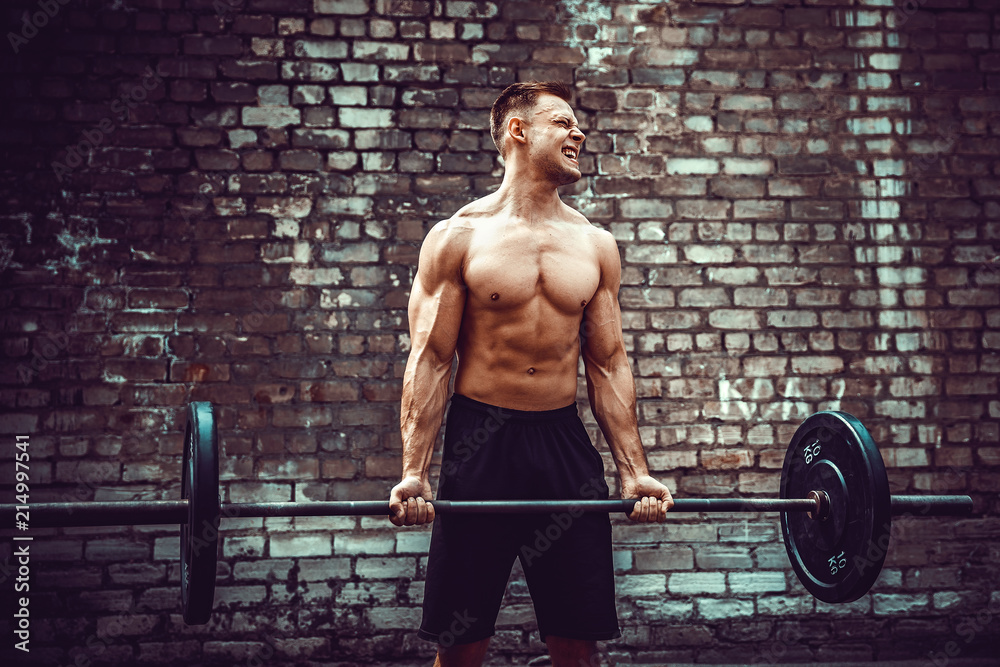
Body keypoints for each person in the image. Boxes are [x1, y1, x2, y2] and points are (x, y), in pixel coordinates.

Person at [388, 81, 674, 667]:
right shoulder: (457, 238)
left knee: (576, 642)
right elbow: (432, 359)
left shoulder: (595, 244)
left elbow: (608, 362)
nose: (579, 134)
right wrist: (414, 473)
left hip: (563, 444)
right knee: (460, 645)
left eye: (577, 126)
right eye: (564, 124)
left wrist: (635, 472)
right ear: (518, 132)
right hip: (481, 445)